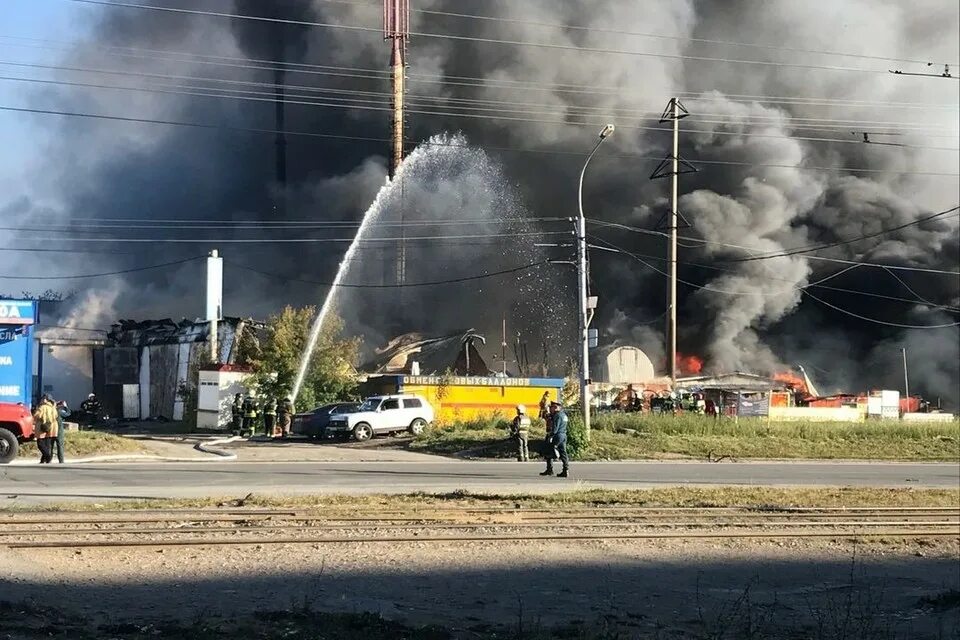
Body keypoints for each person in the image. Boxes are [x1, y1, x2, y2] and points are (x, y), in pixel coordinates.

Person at [540, 401, 569, 478]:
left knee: (549, 450)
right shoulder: (564, 415)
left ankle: (550, 470)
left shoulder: (557, 415)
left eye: (552, 407)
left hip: (557, 435)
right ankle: (565, 470)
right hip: (563, 435)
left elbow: (555, 429)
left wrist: (550, 435)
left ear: (556, 408)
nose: (550, 409)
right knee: (563, 453)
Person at [32, 395, 59, 464]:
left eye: (42, 398)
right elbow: (56, 416)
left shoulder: (42, 407)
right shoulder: (53, 407)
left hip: (42, 426)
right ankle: (44, 460)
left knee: (40, 443)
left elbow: (37, 415)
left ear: (45, 400)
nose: (41, 400)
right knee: (47, 444)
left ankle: (48, 456)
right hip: (52, 427)